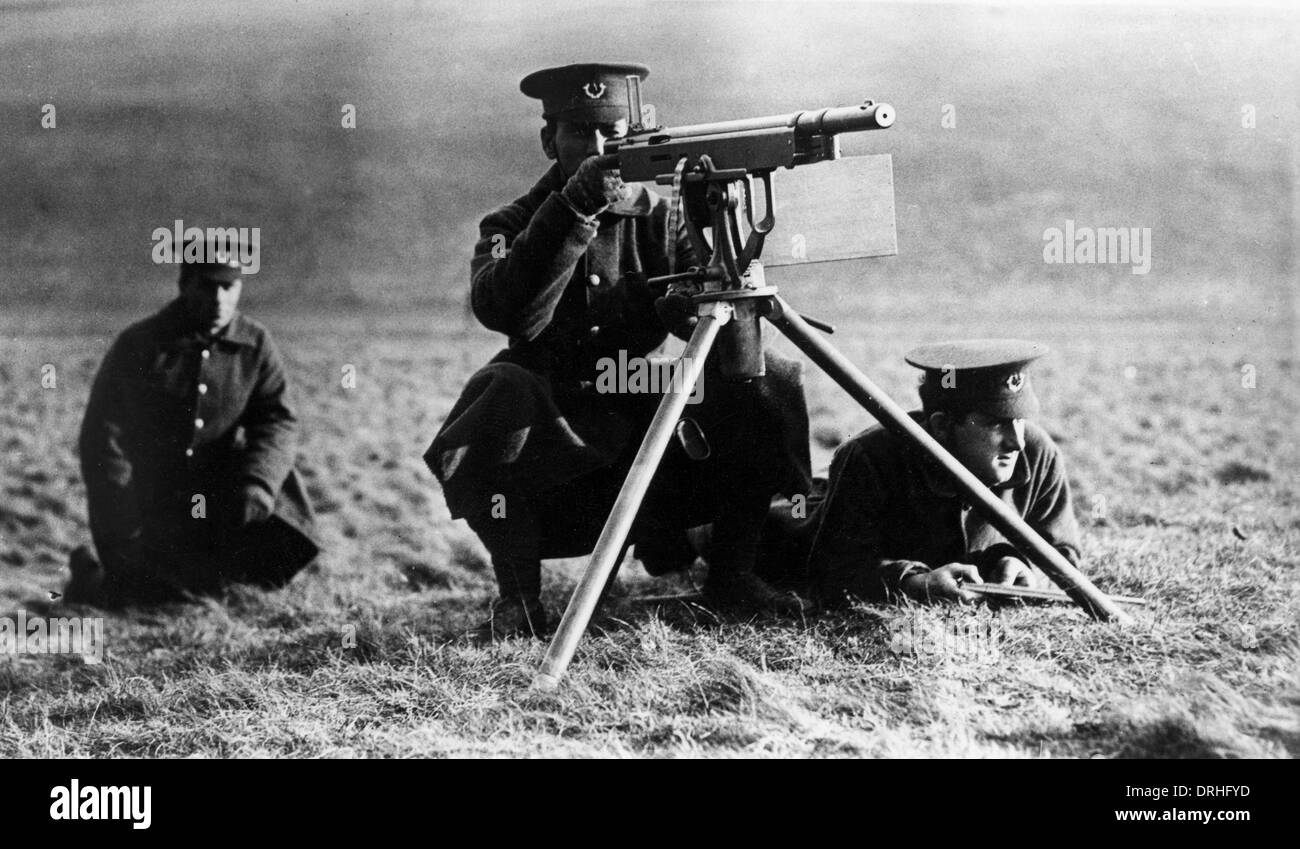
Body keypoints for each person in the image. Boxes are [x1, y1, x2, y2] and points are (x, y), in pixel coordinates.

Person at [424, 62, 813, 641]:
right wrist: (573, 210)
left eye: (615, 132)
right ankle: (519, 598)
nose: (600, 147)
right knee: (498, 393)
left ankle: (732, 575)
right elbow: (510, 315)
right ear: (548, 139)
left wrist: (702, 287)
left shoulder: (662, 217)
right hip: (552, 423)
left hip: (636, 399)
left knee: (769, 378)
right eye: (580, 132)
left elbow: (722, 331)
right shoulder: (510, 223)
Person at [65, 243, 321, 606]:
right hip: (151, 498)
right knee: (143, 597)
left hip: (221, 499)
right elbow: (103, 435)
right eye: (207, 286)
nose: (219, 298)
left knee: (233, 587)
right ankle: (91, 575)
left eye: (228, 287)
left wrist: (258, 484)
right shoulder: (140, 345)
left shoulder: (255, 343)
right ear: (185, 285)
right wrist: (118, 504)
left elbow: (277, 419)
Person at [804, 339, 1081, 606]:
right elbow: (833, 572)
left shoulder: (1037, 453)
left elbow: (1063, 556)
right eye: (996, 424)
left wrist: (1026, 567)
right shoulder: (870, 459)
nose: (1017, 441)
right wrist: (914, 584)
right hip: (809, 506)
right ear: (941, 426)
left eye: (1020, 420)